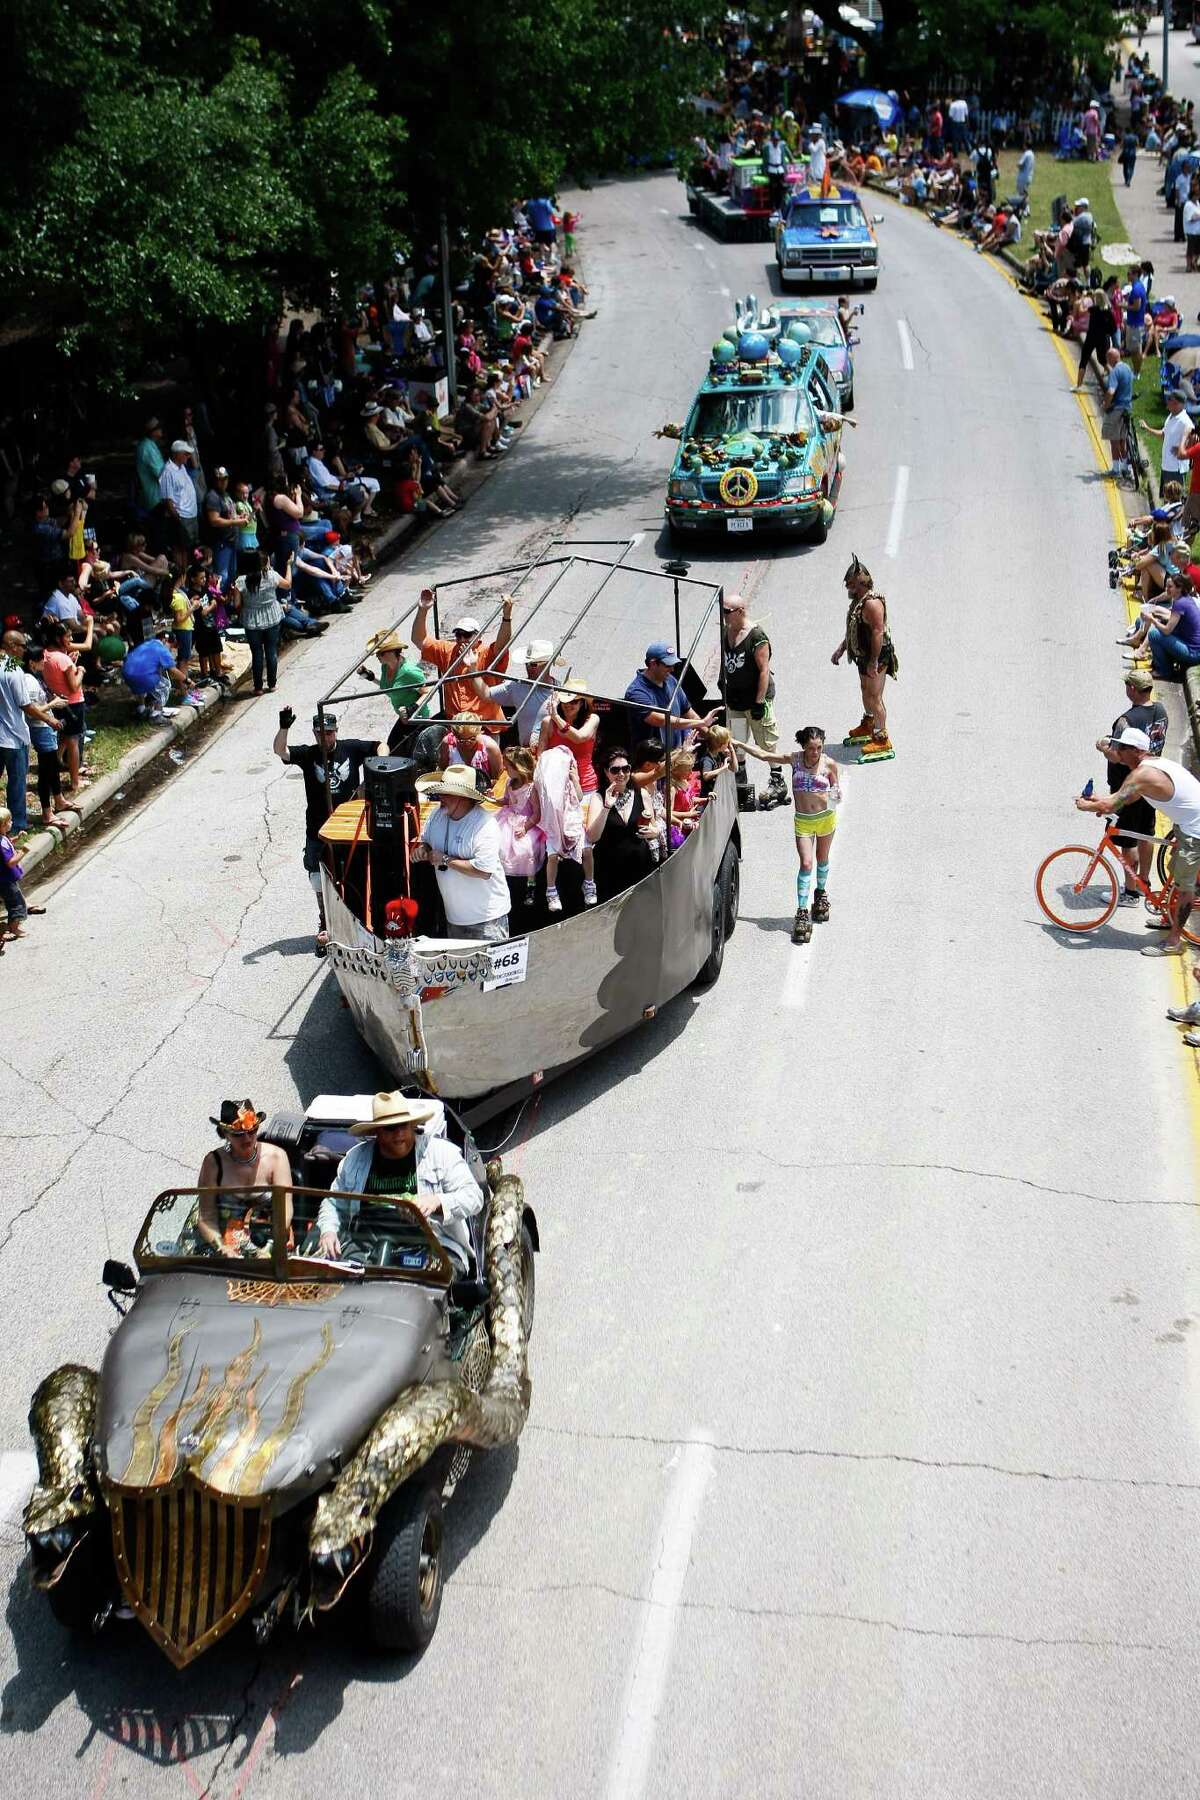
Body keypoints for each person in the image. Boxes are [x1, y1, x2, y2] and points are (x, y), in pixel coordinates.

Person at [315, 1091, 483, 1274]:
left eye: (403, 1125)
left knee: (420, 1291)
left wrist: (437, 1201)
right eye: (390, 1128)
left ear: (412, 1125)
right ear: (377, 1132)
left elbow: (474, 1197)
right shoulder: (355, 1159)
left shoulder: (442, 1154)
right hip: (365, 1243)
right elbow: (332, 1201)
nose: (399, 1133)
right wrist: (328, 1231)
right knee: (336, 1282)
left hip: (434, 1246)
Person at [1076, 728, 1200, 956]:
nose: (1118, 752)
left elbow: (1110, 807)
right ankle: (1169, 916)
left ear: (1136, 750)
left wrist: (1088, 806)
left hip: (1196, 831)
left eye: (1122, 748)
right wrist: (1100, 801)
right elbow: (1123, 799)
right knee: (1176, 874)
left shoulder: (1141, 775)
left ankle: (1174, 943)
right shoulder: (1150, 766)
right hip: (1188, 823)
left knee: (1184, 887)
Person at [274, 708, 382, 953]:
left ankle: (358, 926)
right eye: (321, 734)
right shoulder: (309, 754)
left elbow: (380, 746)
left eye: (330, 733)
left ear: (336, 732)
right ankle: (327, 925)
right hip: (318, 830)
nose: (326, 738)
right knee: (318, 878)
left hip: (348, 829)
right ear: (315, 734)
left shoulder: (351, 748)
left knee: (355, 876)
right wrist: (284, 728)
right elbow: (281, 751)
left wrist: (375, 770)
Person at [737, 725, 842, 943]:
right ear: (803, 746)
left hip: (825, 819)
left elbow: (835, 788)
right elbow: (765, 754)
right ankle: (802, 911)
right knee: (806, 864)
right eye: (811, 748)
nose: (815, 753)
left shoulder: (828, 763)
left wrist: (835, 794)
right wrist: (739, 745)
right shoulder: (795, 760)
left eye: (819, 748)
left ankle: (820, 895)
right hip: (803, 822)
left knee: (822, 860)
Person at [410, 763, 511, 941]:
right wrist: (422, 850)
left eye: (446, 793)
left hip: (487, 921)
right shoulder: (437, 815)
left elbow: (484, 871)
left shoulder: (484, 825)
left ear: (463, 797)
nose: (440, 797)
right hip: (455, 919)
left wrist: (446, 859)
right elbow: (426, 839)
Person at [1098, 672, 1168, 903]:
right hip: (1152, 782)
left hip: (1128, 786)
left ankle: (1130, 892)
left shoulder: (1126, 721)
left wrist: (1103, 746)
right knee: (1146, 834)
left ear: (1132, 689)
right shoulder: (1162, 712)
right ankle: (1143, 881)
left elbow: (1118, 756)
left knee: (1127, 840)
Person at [718, 593, 786, 811]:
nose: (724, 615)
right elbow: (724, 657)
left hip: (755, 699)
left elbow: (764, 671)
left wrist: (758, 703)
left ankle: (778, 782)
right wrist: (722, 680)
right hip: (735, 700)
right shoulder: (727, 630)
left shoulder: (756, 636)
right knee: (736, 742)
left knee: (766, 741)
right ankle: (741, 785)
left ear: (740, 611)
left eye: (727, 611)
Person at [196, 1100, 293, 1254]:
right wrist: (221, 1247)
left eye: (252, 1131)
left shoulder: (277, 1157)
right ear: (225, 1134)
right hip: (222, 1248)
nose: (247, 1139)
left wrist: (269, 1249)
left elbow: (285, 1210)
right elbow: (206, 1217)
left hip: (270, 1243)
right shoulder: (213, 1163)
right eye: (238, 1134)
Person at [411, 588, 514, 722]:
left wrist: (506, 617)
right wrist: (423, 609)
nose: (462, 639)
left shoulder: (486, 653)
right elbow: (419, 640)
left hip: (485, 724)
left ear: (478, 636)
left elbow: (503, 644)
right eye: (458, 635)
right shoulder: (448, 650)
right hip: (455, 725)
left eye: (467, 635)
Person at [832, 555, 897, 762]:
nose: (848, 588)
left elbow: (877, 632)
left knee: (874, 696)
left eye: (850, 584)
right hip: (863, 654)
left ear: (861, 581)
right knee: (865, 691)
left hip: (875, 656)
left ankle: (881, 737)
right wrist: (842, 648)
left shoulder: (872, 603)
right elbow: (854, 629)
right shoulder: (858, 602)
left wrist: (874, 661)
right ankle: (868, 723)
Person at [0, 641, 61, 837]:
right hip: (13, 737)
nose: (24, 650)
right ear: (12, 646)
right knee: (17, 782)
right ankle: (17, 823)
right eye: (22, 646)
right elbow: (26, 705)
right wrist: (50, 719)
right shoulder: (12, 669)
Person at [585, 744, 658, 901]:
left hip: (640, 868)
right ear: (606, 772)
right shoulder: (598, 798)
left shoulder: (642, 793)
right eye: (615, 770)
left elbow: (654, 826)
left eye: (626, 769)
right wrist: (606, 807)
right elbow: (592, 837)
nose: (621, 774)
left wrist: (654, 832)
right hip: (610, 871)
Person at [624, 643, 718, 748]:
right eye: (667, 665)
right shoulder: (636, 692)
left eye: (673, 665)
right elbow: (661, 720)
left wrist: (714, 738)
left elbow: (687, 711)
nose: (672, 669)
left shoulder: (671, 681)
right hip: (653, 760)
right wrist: (701, 722)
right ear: (653, 664)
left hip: (677, 754)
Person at [478, 637, 561, 745]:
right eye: (527, 663)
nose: (528, 668)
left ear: (548, 664)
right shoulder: (516, 686)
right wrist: (472, 669)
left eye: (533, 664)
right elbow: (485, 694)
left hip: (554, 753)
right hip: (528, 753)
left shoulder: (561, 690)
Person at [359, 629, 429, 752]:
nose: (377, 656)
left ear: (391, 652)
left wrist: (412, 708)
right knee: (392, 749)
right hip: (403, 719)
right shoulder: (385, 667)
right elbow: (389, 689)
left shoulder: (409, 672)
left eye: (380, 653)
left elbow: (427, 692)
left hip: (417, 719)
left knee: (408, 756)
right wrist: (370, 677)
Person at [495, 745, 546, 907]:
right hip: (508, 819)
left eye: (508, 766)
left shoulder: (531, 789)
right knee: (500, 845)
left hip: (526, 822)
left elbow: (537, 814)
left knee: (527, 850)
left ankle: (530, 885)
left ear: (519, 768)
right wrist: (493, 800)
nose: (505, 768)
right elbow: (506, 800)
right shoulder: (510, 782)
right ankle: (504, 882)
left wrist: (525, 827)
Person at [1124, 572, 1200, 678]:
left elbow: (1167, 630)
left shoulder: (1180, 603)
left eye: (1170, 587)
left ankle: (1163, 670)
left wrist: (1152, 620)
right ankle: (1158, 662)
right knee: (1158, 626)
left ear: (1179, 588)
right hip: (1193, 649)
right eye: (1166, 586)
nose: (1167, 589)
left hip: (1192, 652)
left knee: (1154, 634)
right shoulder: (1185, 599)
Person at [236, 548, 291, 694]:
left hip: (251, 620)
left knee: (257, 653)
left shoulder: (240, 581)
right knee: (271, 651)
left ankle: (258, 687)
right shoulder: (271, 576)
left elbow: (236, 604)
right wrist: (289, 566)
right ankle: (272, 684)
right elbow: (287, 584)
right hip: (272, 617)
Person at [122, 628, 185, 721]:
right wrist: (187, 680)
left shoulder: (146, 644)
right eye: (171, 646)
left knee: (144, 680)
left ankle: (141, 709)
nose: (170, 649)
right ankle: (156, 715)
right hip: (142, 676)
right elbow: (173, 670)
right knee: (165, 685)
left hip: (126, 673)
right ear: (165, 640)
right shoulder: (162, 649)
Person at [1100, 346, 1134, 482]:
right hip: (1127, 408)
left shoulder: (1115, 372)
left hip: (1117, 409)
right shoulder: (1127, 368)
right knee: (1122, 440)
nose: (1107, 359)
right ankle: (1126, 468)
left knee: (1114, 440)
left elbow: (1111, 391)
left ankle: (1116, 470)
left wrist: (1106, 405)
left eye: (1108, 357)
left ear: (1112, 358)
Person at [202, 467, 240, 590]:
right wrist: (236, 521)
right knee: (221, 576)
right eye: (220, 479)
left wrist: (239, 517)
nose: (223, 482)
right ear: (215, 480)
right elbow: (214, 520)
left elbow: (230, 515)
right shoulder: (213, 496)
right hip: (221, 542)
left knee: (232, 575)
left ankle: (227, 605)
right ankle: (217, 605)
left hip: (232, 541)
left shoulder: (226, 495)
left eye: (225, 479)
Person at [158, 439, 200, 548]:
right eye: (186, 454)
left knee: (191, 548)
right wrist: (178, 519)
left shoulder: (182, 468)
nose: (189, 456)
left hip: (191, 516)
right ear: (177, 454)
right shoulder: (168, 471)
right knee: (180, 548)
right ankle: (181, 566)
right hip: (182, 518)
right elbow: (167, 500)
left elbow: (195, 466)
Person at [0, 807, 33, 942]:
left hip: (7, 879)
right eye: (9, 821)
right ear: (3, 825)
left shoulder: (2, 837)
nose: (11, 823)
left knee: (16, 898)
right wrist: (23, 851)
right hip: (5, 880)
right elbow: (10, 862)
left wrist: (16, 838)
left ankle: (11, 926)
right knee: (16, 903)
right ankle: (14, 927)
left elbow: (8, 843)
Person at [1143, 385, 1191, 473]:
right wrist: (1147, 428)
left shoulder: (1185, 421)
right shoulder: (1170, 416)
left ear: (1178, 404)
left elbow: (1194, 439)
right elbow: (1163, 434)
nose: (1167, 401)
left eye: (1170, 399)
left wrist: (1183, 449)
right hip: (1166, 466)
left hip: (1177, 469)